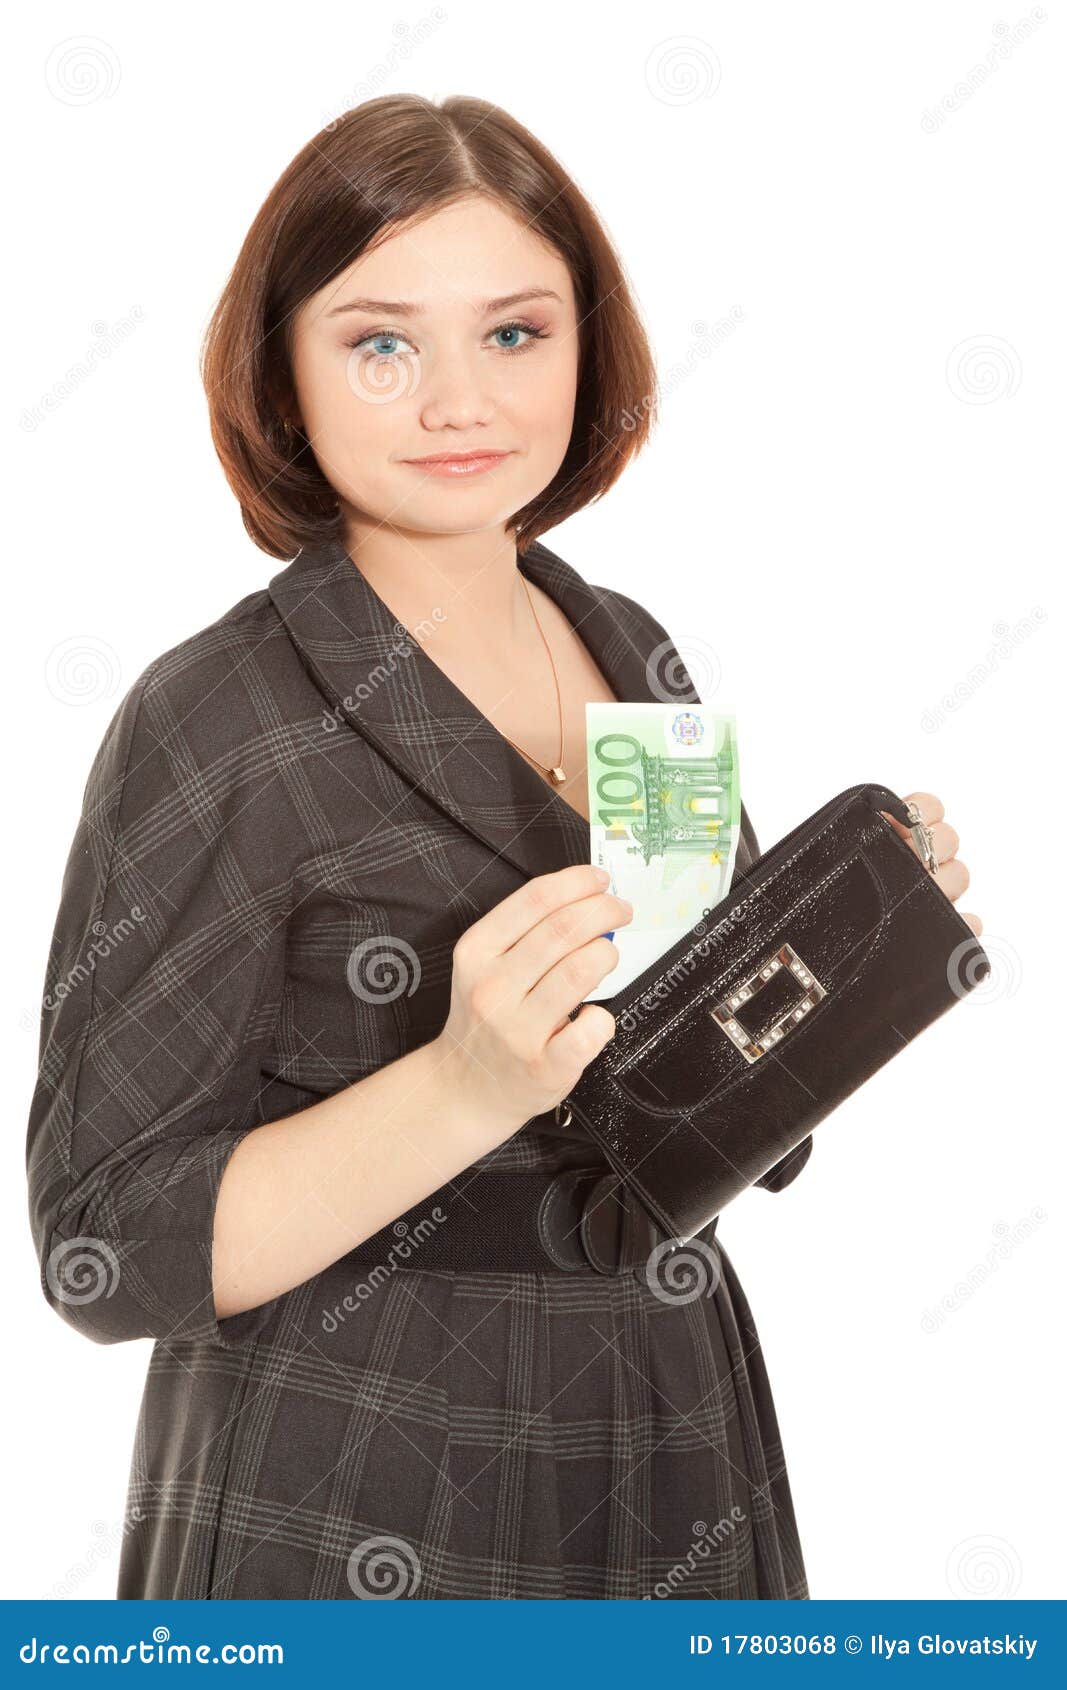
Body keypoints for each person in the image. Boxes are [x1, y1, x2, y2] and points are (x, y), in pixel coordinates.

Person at [26, 93, 980, 1601]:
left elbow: (690, 1127)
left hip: (672, 1438)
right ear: (282, 370)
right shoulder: (214, 715)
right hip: (351, 1467)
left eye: (516, 335)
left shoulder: (634, 649)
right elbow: (103, 1243)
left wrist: (842, 956)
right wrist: (461, 1084)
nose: (459, 400)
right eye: (382, 343)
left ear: (588, 347)